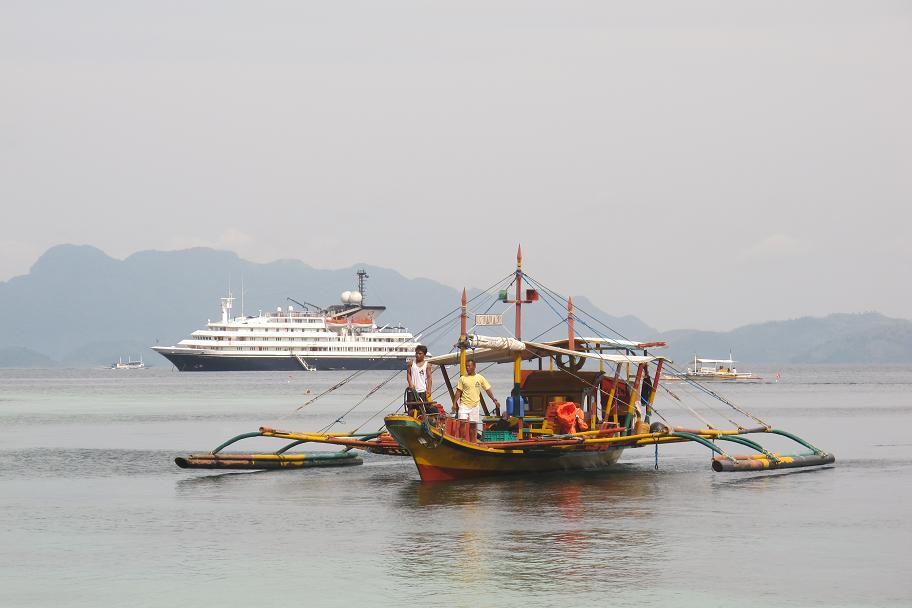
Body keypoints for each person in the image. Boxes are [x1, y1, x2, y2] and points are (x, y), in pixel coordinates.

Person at [452, 360, 500, 426]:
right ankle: (462, 437)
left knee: (473, 426)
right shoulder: (462, 378)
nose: (467, 368)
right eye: (466, 366)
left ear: (474, 366)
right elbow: (458, 391)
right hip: (464, 405)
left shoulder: (480, 378)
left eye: (469, 366)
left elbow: (488, 389)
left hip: (475, 406)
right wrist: (454, 403)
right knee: (462, 423)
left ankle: (473, 437)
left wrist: (494, 400)